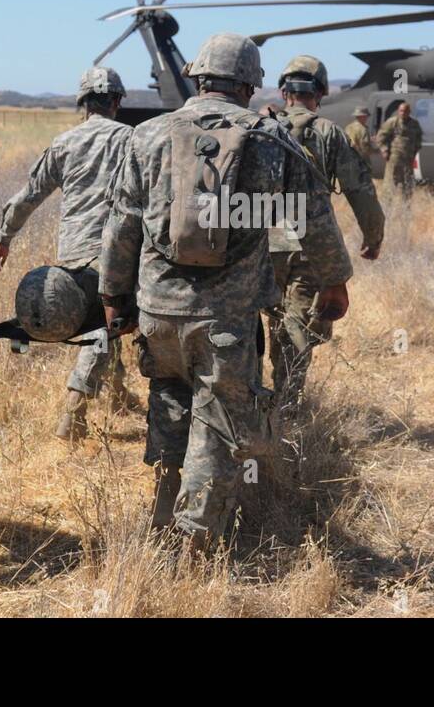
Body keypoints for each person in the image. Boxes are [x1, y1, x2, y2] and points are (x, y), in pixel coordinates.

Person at [98, 33, 353, 551]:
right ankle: (194, 553)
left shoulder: (146, 136)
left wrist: (112, 296)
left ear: (197, 77)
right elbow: (314, 218)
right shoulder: (267, 137)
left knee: (169, 401)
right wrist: (334, 280)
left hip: (157, 312)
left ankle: (164, 519)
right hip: (225, 321)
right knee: (217, 425)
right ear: (249, 83)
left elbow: (121, 225)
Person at [0, 66, 135, 443]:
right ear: (117, 102)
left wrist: (5, 237)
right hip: (114, 253)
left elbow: (28, 196)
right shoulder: (132, 140)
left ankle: (118, 394)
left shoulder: (64, 143)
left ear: (83, 104)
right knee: (105, 325)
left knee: (100, 322)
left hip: (71, 256)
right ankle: (73, 413)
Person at [266, 56, 383, 413]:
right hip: (309, 247)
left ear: (284, 91)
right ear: (321, 92)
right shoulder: (329, 132)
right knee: (297, 326)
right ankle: (286, 409)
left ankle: (258, 403)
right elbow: (360, 188)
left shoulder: (260, 127)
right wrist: (373, 235)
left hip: (262, 244)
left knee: (267, 321)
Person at [377, 101, 423, 198]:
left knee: (407, 184)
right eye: (401, 111)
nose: (403, 113)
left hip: (408, 159)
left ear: (409, 112)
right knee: (390, 184)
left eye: (405, 111)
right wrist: (384, 150)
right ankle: (386, 207)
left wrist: (415, 150)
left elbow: (419, 138)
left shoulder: (414, 124)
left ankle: (405, 207)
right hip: (395, 159)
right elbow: (381, 137)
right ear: (398, 111)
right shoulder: (392, 122)